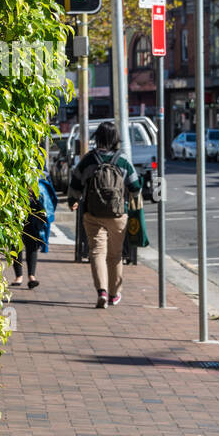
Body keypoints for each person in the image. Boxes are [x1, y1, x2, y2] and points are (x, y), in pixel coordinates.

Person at [68, 121, 141, 308]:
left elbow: (75, 183)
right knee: (115, 255)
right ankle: (114, 294)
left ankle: (101, 291)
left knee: (96, 252)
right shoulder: (123, 160)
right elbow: (135, 186)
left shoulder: (88, 160)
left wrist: (73, 201)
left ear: (97, 137)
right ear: (115, 138)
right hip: (118, 215)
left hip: (92, 213)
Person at [11, 173, 57, 289]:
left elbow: (47, 186)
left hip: (34, 210)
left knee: (32, 243)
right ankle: (19, 276)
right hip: (17, 207)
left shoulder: (40, 169)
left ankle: (31, 275)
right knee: (16, 243)